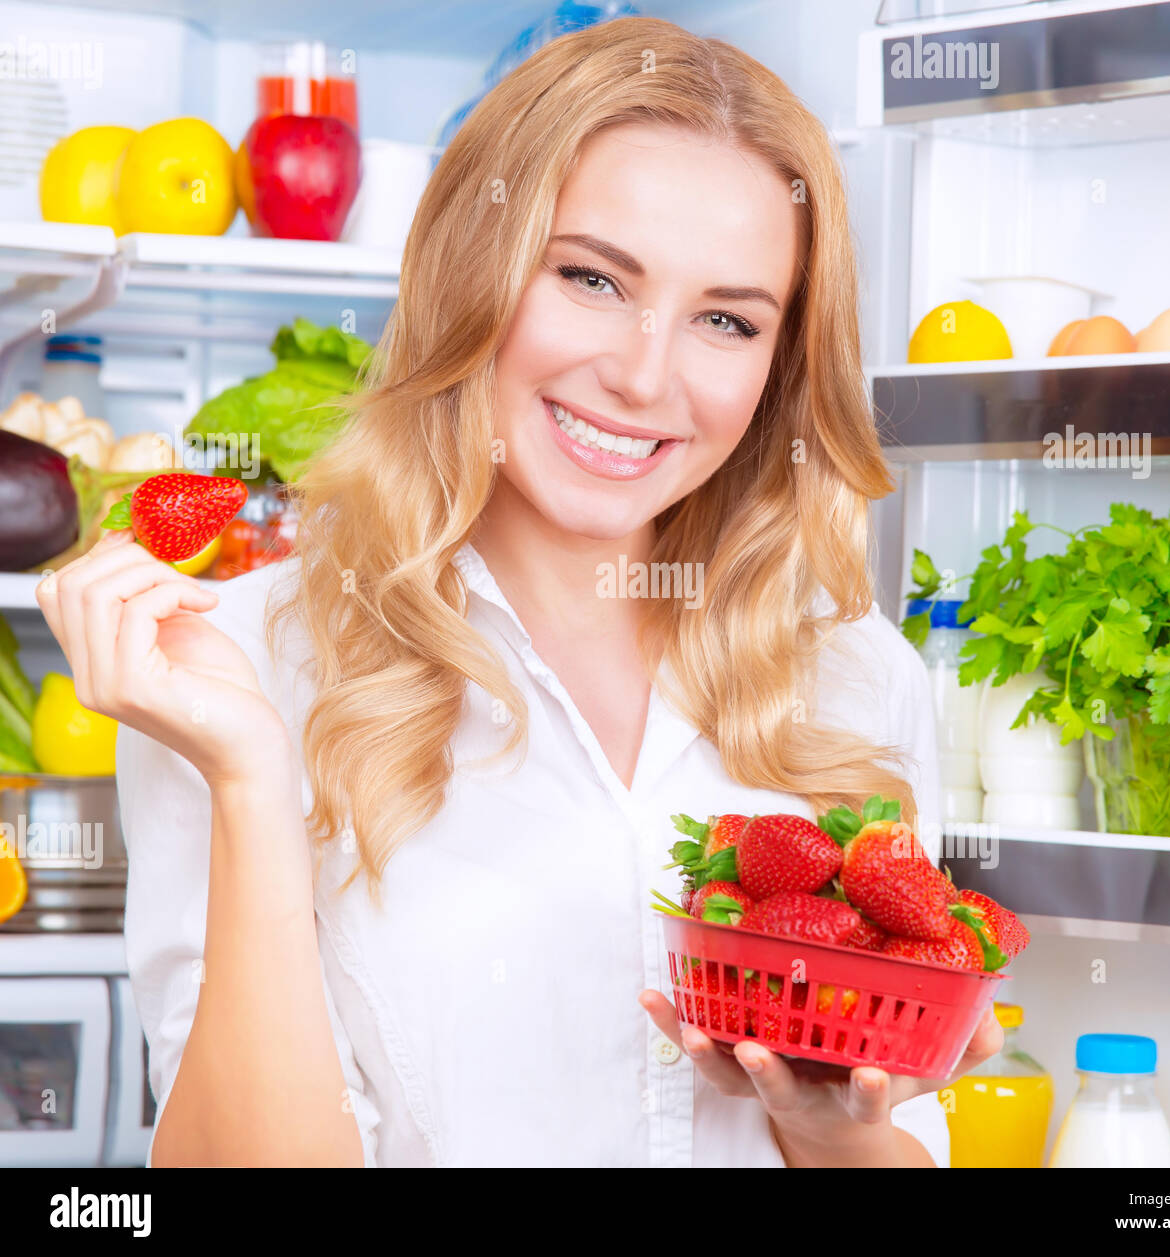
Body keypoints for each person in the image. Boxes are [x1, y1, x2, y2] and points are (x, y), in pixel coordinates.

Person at [36, 15, 999, 1168]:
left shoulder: (858, 680)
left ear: (778, 366)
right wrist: (251, 779)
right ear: (470, 271)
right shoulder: (236, 668)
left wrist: (818, 1123)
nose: (644, 375)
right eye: (591, 278)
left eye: (726, 320)